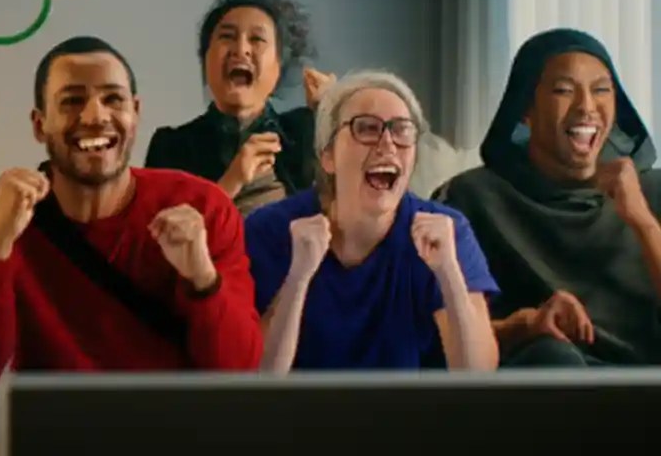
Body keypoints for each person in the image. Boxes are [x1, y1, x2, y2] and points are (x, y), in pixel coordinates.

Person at [0, 36, 264, 390]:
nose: (95, 116)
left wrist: (202, 277)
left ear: (136, 113)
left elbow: (238, 372)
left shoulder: (202, 207)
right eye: (72, 101)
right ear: (39, 125)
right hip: (56, 433)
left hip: (177, 428)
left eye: (113, 99)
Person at [435, 28, 661, 366]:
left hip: (642, 391)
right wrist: (525, 326)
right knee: (553, 359)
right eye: (563, 90)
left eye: (601, 90)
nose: (587, 107)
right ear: (526, 108)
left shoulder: (651, 192)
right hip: (546, 388)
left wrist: (643, 222)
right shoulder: (472, 199)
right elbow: (431, 340)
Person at [245, 70, 499, 371]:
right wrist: (298, 278)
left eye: (402, 131)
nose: (387, 144)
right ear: (328, 155)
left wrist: (449, 276)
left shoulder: (447, 232)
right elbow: (258, 379)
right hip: (296, 416)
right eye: (366, 128)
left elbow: (477, 375)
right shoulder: (268, 229)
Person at [144, 0, 335, 215]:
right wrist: (231, 182)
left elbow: (348, 210)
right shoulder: (171, 146)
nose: (241, 49)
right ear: (205, 58)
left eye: (257, 39)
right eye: (227, 36)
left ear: (278, 66)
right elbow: (157, 241)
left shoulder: (306, 130)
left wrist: (336, 114)